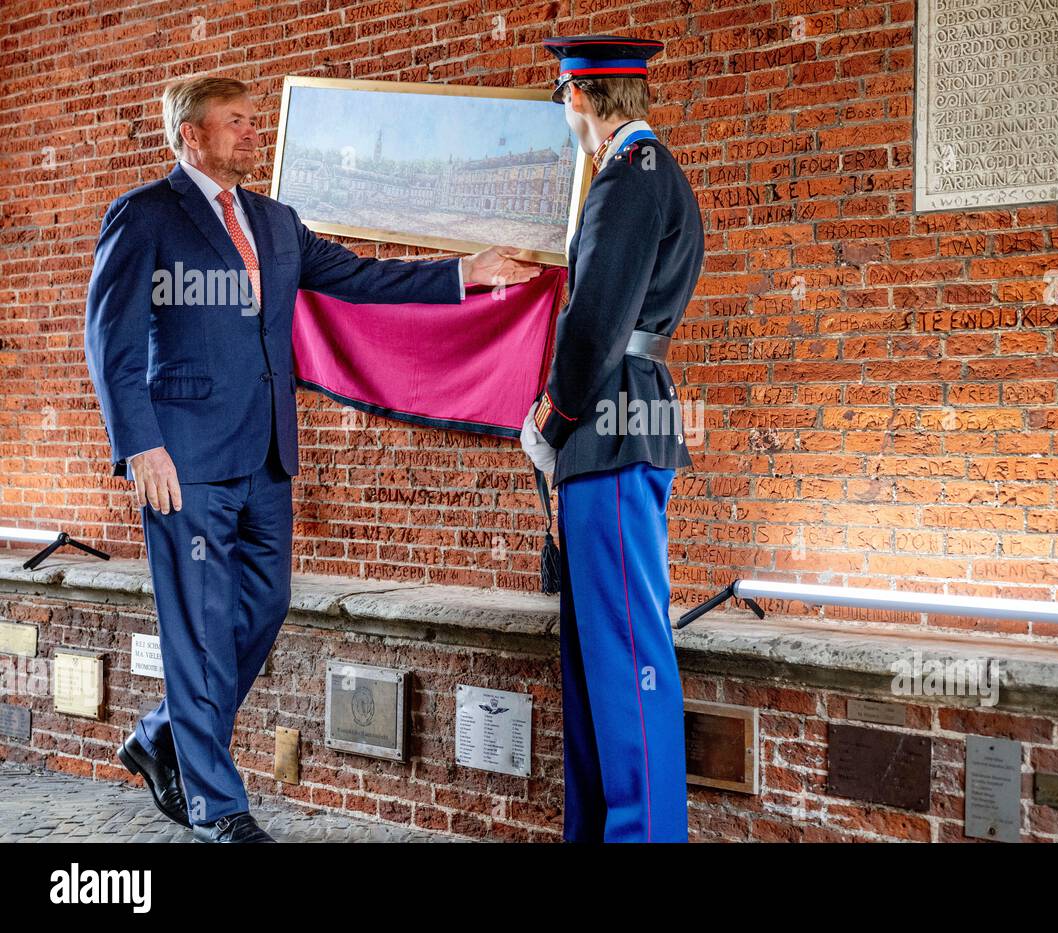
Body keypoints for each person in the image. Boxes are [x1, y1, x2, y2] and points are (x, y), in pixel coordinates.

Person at [84, 74, 539, 843]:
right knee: (199, 628)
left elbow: (363, 279)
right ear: (190, 134)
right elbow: (110, 337)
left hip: (266, 458)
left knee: (259, 610)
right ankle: (217, 806)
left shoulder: (275, 220)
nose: (252, 135)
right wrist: (139, 444)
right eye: (236, 123)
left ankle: (163, 733)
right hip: (183, 459)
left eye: (256, 123)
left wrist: (467, 273)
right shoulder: (147, 215)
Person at [520, 35, 705, 842]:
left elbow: (594, 324)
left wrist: (550, 418)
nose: (567, 113)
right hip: (630, 417)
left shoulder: (629, 176)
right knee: (604, 661)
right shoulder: (649, 172)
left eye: (565, 98)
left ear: (583, 99)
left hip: (610, 421)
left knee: (629, 664)